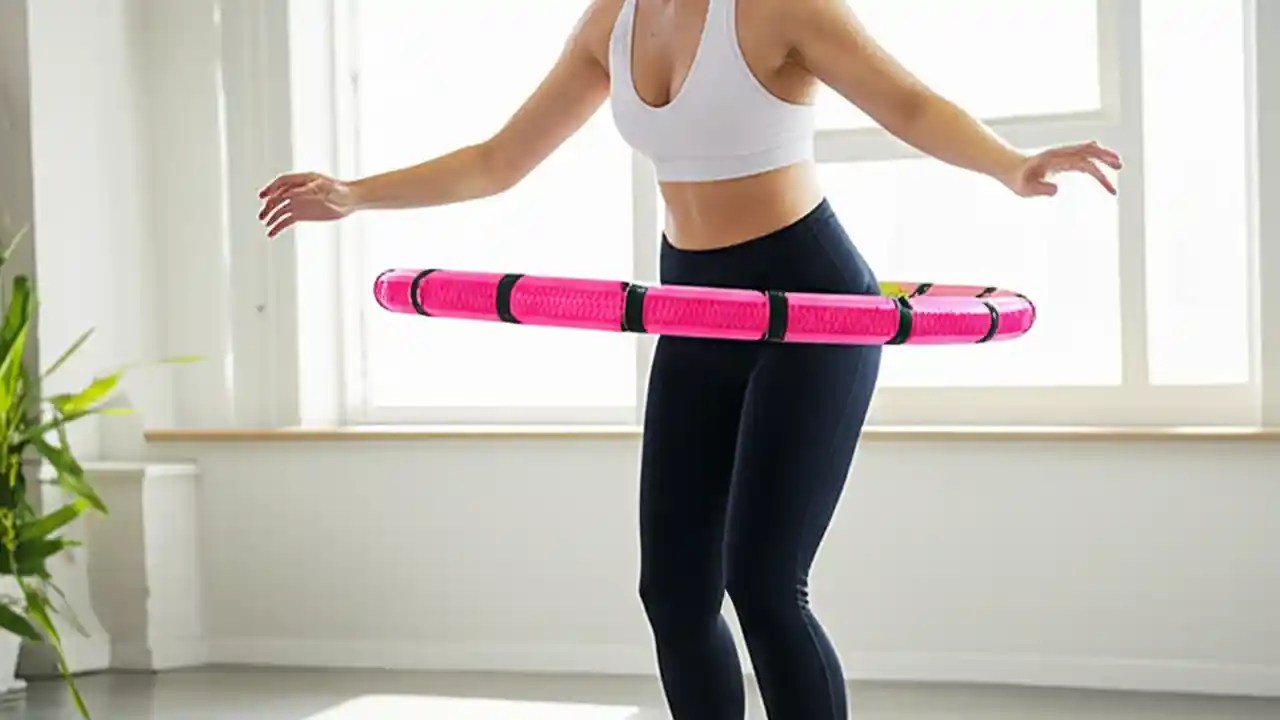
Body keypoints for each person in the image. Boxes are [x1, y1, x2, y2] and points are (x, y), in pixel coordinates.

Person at [258, 1, 1122, 716]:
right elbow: (498, 160)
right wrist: (355, 194)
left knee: (765, 585)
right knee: (672, 595)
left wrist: (1011, 165)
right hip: (698, 311)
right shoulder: (612, 21)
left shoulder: (782, 8)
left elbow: (911, 105)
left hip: (813, 305)